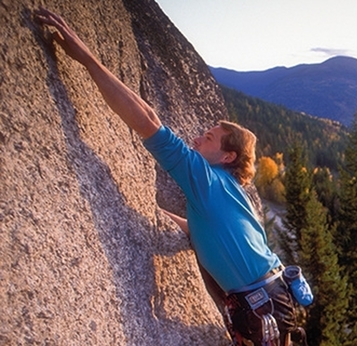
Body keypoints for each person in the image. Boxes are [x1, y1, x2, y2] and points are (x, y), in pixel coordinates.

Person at [36, 8, 300, 345]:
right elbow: (202, 231)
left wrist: (88, 60)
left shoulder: (206, 180)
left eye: (208, 138)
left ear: (228, 156)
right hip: (271, 300)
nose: (196, 140)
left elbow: (147, 120)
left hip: (261, 307)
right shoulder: (229, 190)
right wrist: (153, 212)